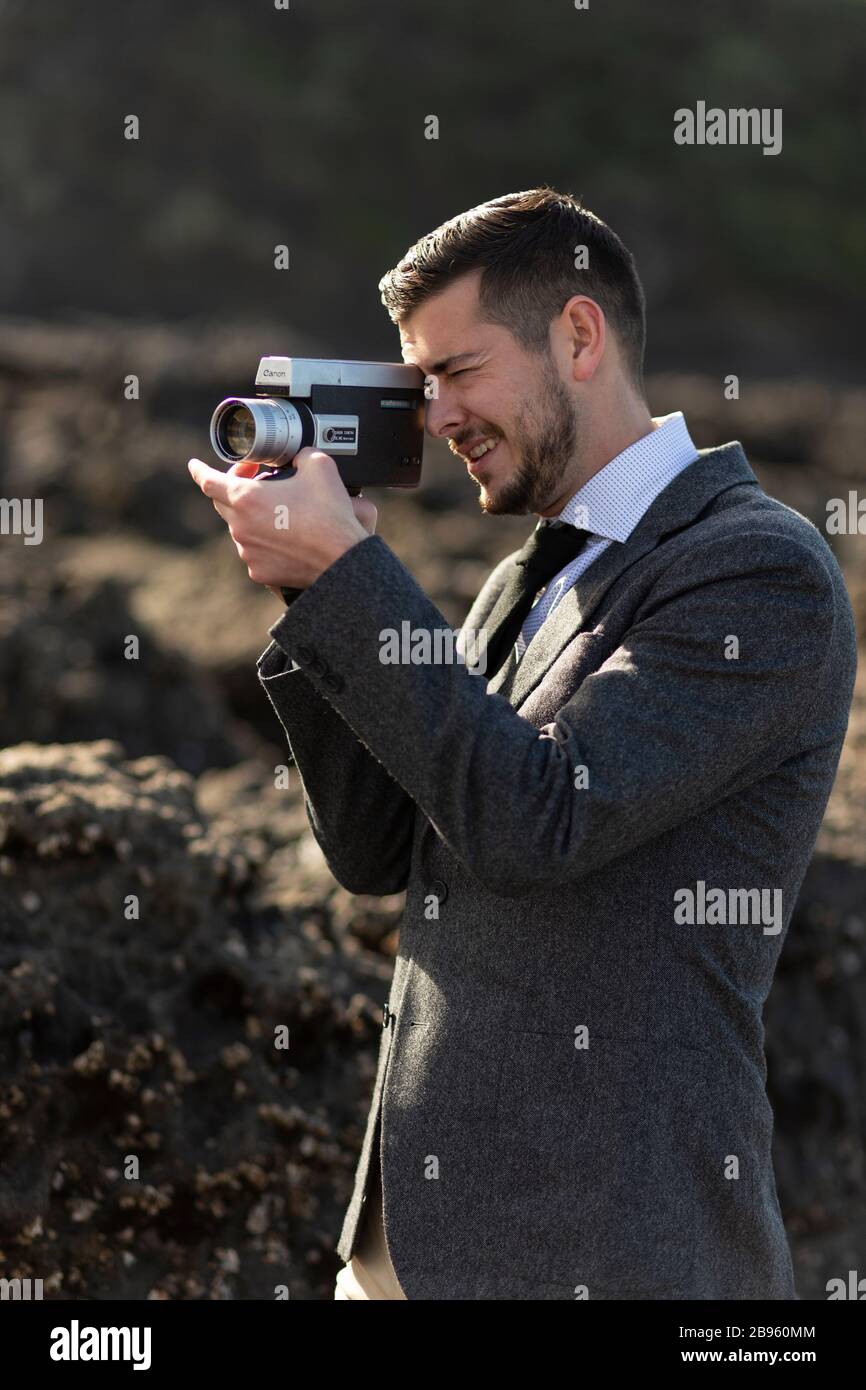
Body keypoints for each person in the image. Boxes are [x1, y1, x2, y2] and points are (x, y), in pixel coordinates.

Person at [189, 187, 857, 1300]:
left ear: (578, 336)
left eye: (455, 371)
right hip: (403, 1251)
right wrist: (319, 597)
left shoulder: (754, 569)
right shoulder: (527, 575)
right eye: (417, 382)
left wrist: (352, 585)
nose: (437, 414)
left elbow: (536, 820)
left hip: (593, 1251)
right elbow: (373, 848)